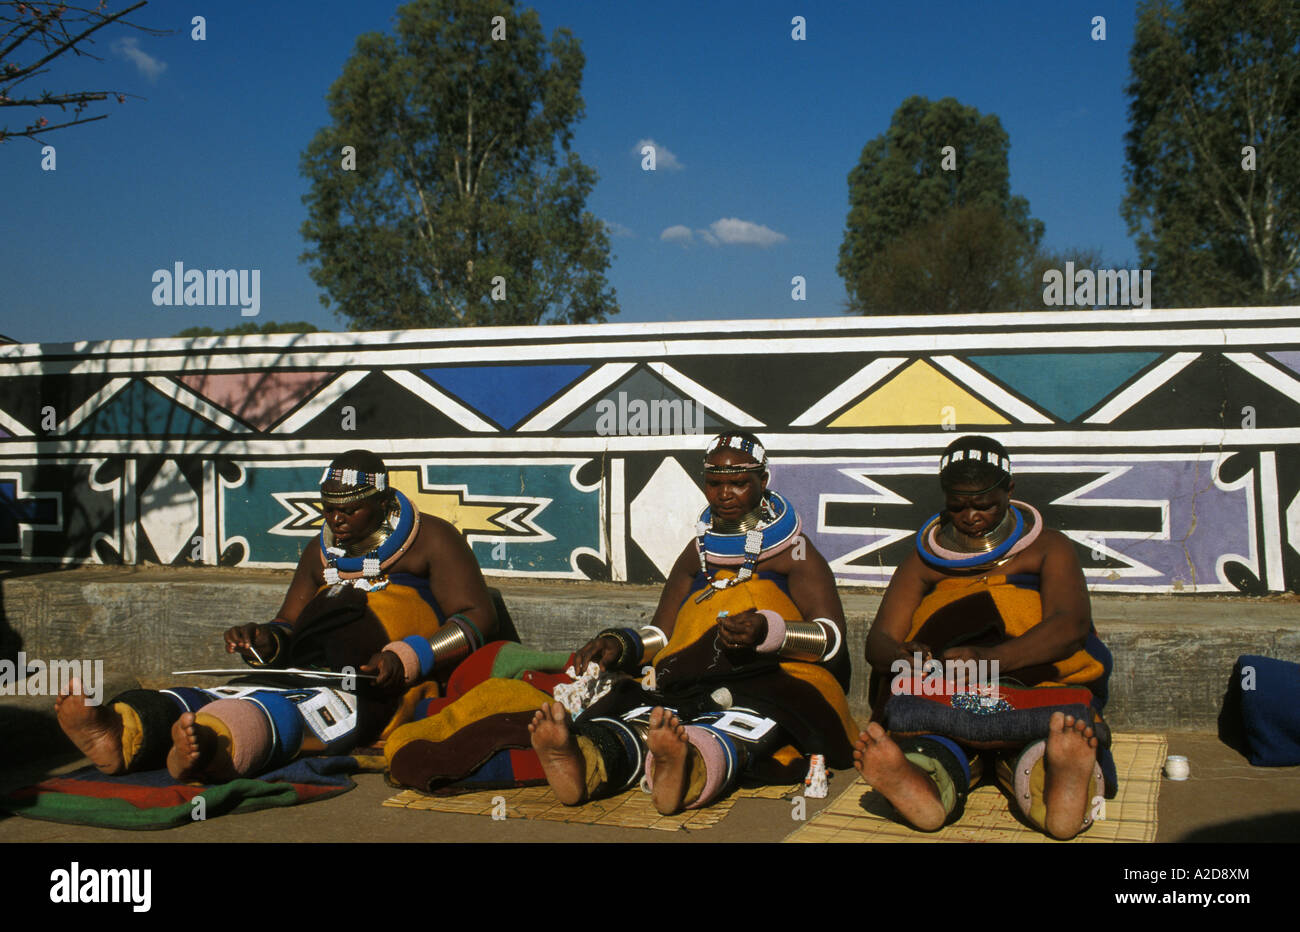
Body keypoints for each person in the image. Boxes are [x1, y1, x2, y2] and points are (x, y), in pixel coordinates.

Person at [55, 450, 498, 783]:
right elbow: (288, 624)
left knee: (301, 713)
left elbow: (478, 619)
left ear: (382, 502)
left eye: (349, 509)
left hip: (375, 686)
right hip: (302, 666)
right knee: (227, 690)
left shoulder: (432, 540)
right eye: (329, 508)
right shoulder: (319, 549)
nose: (336, 520)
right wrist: (264, 639)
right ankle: (125, 729)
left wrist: (407, 658)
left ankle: (215, 746)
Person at [528, 431, 857, 814]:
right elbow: (663, 635)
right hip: (687, 680)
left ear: (763, 481)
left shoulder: (794, 553)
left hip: (767, 681)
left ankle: (690, 769)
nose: (724, 494)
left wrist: (770, 631)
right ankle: (587, 761)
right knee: (643, 718)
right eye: (715, 483)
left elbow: (830, 640)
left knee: (739, 726)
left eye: (738, 483)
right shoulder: (697, 551)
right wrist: (621, 644)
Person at [856, 435, 1113, 839]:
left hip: (1027, 683)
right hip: (947, 691)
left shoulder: (1048, 548)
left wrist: (992, 659)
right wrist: (905, 655)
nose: (970, 516)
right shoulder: (924, 559)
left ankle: (1059, 781)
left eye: (984, 505)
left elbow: (1070, 626)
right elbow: (879, 641)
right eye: (957, 506)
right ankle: (920, 787)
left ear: (1009, 491)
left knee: (1040, 742)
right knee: (935, 744)